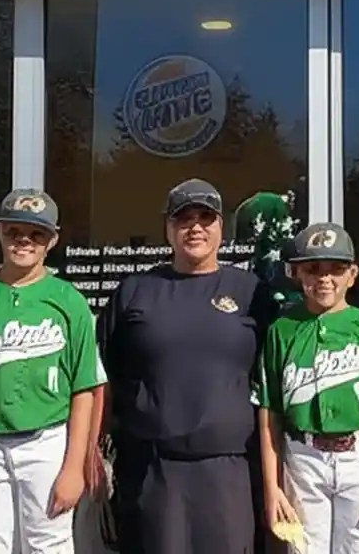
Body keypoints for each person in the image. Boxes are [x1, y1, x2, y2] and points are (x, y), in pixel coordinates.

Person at [90, 178, 275, 554]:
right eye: (184, 218)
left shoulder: (251, 292)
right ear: (168, 228)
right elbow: (100, 378)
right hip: (151, 470)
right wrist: (93, 448)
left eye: (206, 217)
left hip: (230, 470)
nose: (195, 227)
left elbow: (275, 381)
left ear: (221, 227)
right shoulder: (135, 290)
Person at [0, 189, 105, 554]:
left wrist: (74, 466)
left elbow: (84, 389)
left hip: (46, 441)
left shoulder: (67, 298)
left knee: (48, 544)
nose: (24, 240)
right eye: (14, 231)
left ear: (52, 239)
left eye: (36, 234)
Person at [256, 222, 359, 554]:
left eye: (336, 269)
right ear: (296, 273)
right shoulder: (282, 330)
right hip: (303, 458)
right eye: (312, 269)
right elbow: (269, 413)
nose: (324, 278)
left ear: (353, 274)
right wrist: (272, 487)